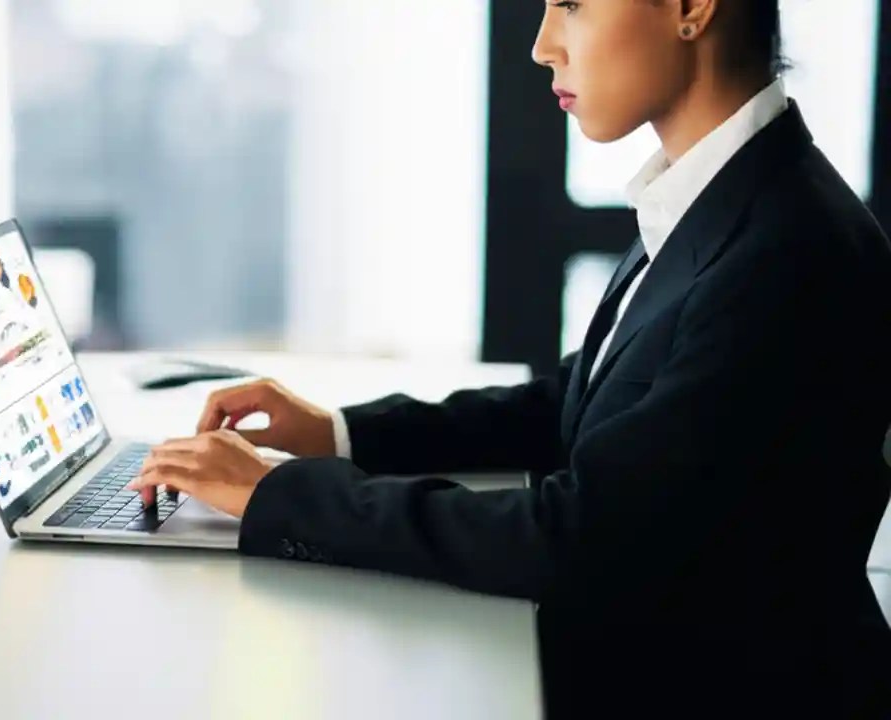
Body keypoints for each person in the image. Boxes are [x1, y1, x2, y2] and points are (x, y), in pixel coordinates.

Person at [127, 0, 891, 716]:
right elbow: (578, 403)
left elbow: (584, 538)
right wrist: (337, 434)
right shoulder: (721, 197)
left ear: (692, 8)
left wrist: (284, 496)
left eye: (572, 5)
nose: (542, 45)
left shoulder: (787, 249)